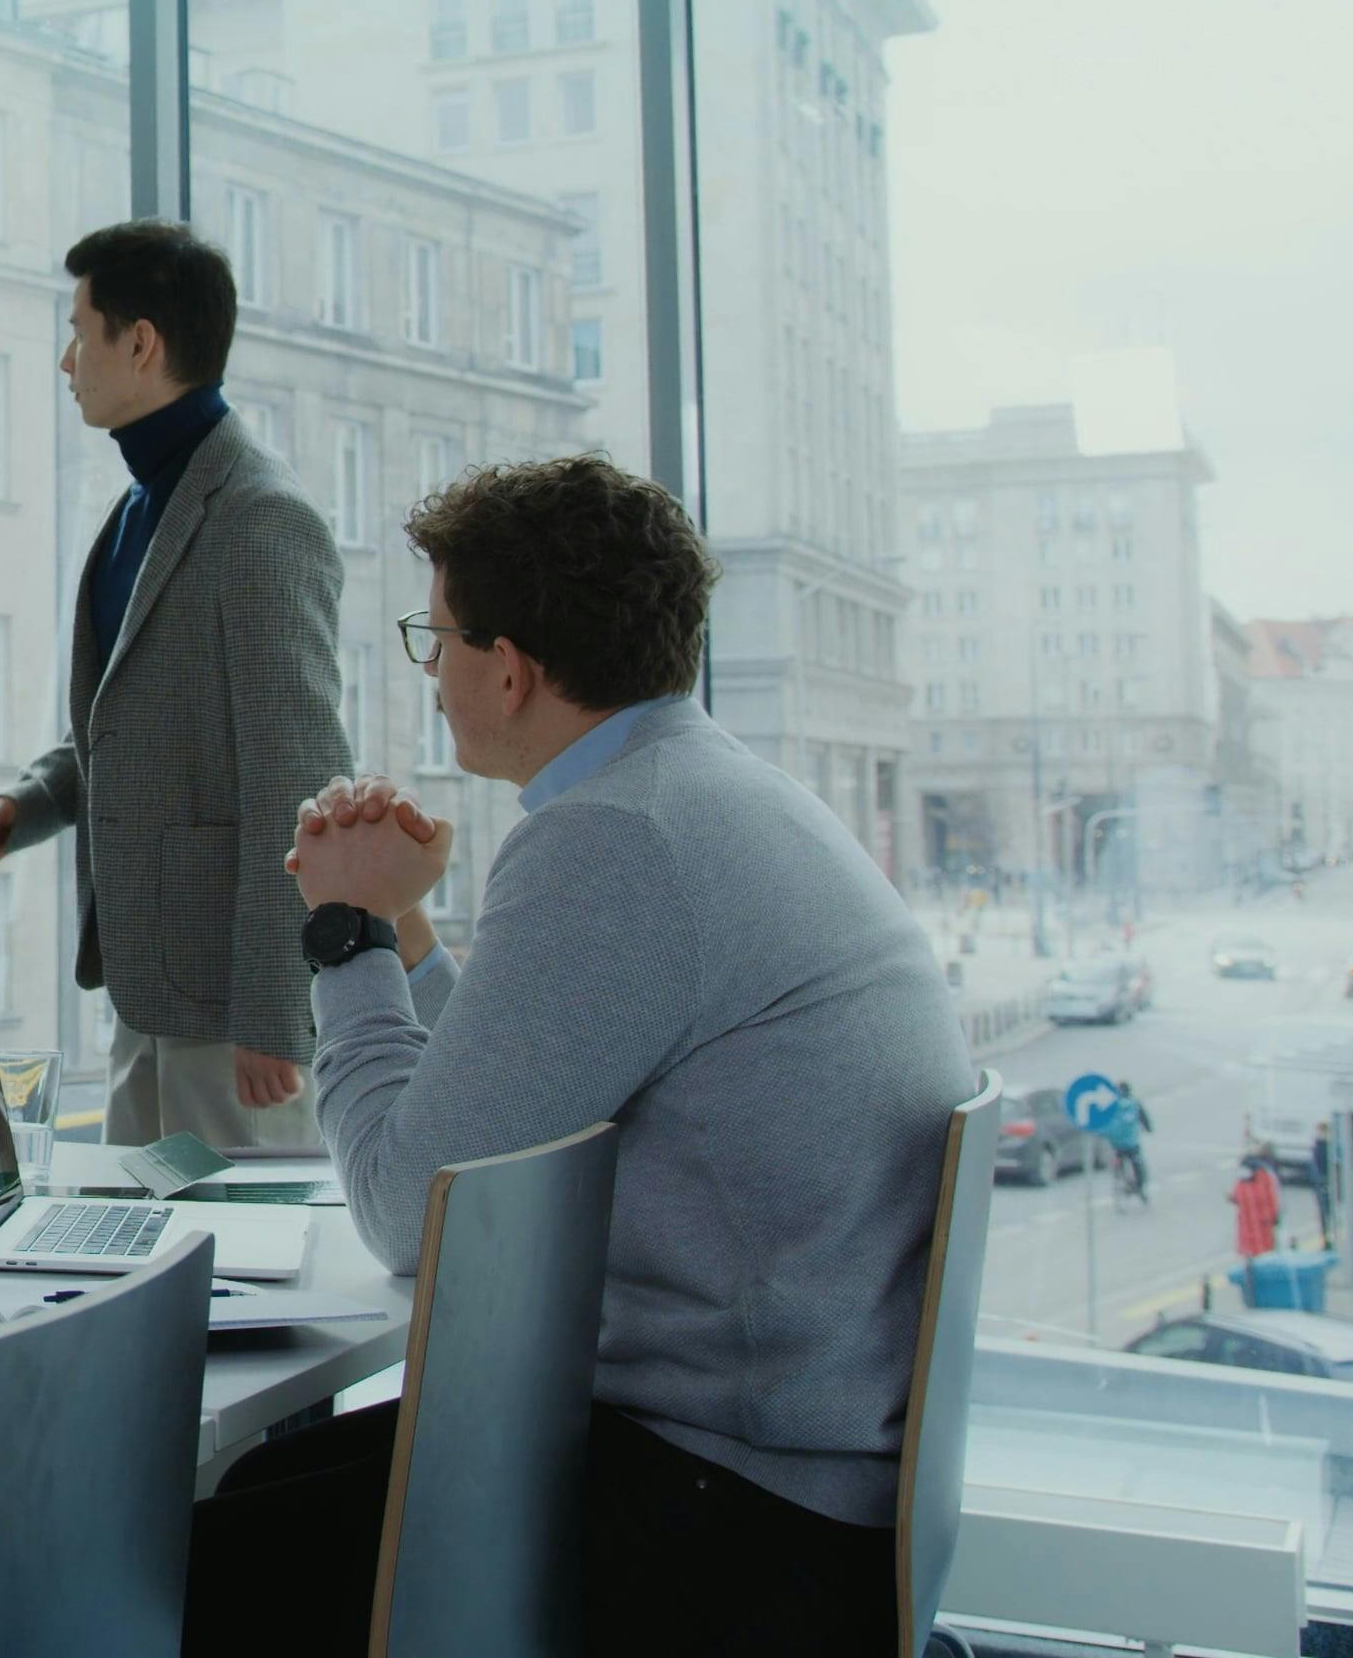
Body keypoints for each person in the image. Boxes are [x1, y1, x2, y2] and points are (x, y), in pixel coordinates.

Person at [186, 454, 976, 1657]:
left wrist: (341, 935)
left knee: (218, 1555)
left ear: (508, 668)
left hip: (735, 1520)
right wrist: (404, 931)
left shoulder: (616, 841)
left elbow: (413, 1210)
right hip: (804, 1478)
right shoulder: (700, 792)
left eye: (436, 637)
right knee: (274, 1485)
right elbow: (520, 1101)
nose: (434, 673)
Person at [0, 222, 348, 1150]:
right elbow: (137, 723)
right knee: (143, 1261)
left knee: (251, 1280)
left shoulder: (261, 519)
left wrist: (276, 1012)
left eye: (81, 331)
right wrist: (32, 800)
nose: (65, 359)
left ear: (141, 343)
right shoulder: (141, 506)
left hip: (236, 1021)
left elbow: (301, 781)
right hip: (147, 992)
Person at [1231, 1145, 1283, 1262]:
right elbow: (1272, 1198)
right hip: (1263, 1225)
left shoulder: (1243, 1180)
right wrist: (1275, 1217)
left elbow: (1236, 1196)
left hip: (1249, 1225)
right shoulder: (1265, 1175)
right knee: (1265, 1255)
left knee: (1250, 1256)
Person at [1105, 1081, 1151, 1206]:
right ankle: (1140, 1187)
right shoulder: (1134, 1104)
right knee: (1137, 1164)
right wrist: (1148, 1128)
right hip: (1132, 1143)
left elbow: (1104, 1122)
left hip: (1116, 1143)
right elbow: (1144, 1118)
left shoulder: (1111, 1106)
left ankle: (1119, 1178)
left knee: (1117, 1161)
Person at [1309, 1121, 1340, 1245]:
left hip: (1326, 1181)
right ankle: (1326, 1237)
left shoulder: (1325, 1146)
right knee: (1324, 1211)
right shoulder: (1319, 1146)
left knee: (1328, 1211)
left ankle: (1329, 1236)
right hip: (1322, 1181)